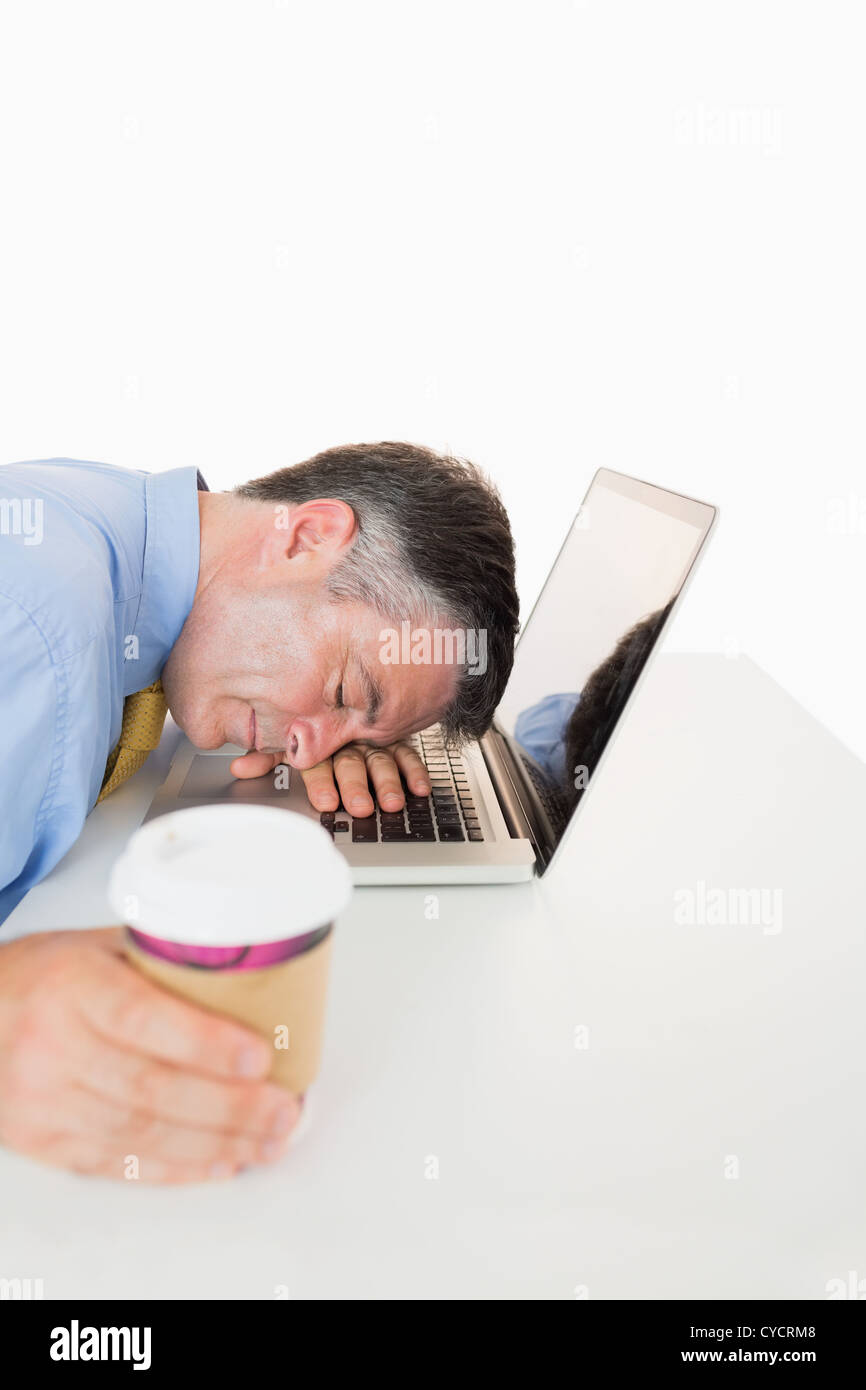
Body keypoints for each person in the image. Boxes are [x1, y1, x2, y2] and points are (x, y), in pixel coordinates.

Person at [0, 441, 519, 1181]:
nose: (308, 754)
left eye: (359, 734)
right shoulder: (35, 633)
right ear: (307, 537)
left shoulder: (113, 539)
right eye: (346, 692)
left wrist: (335, 724)